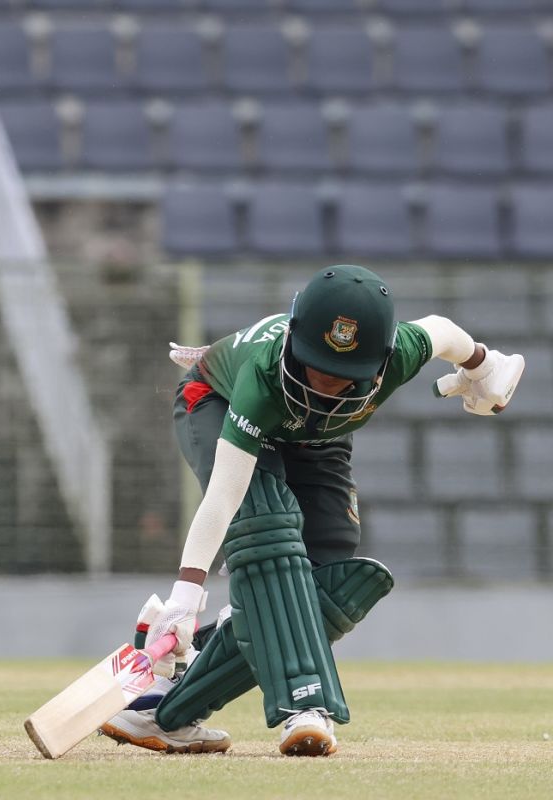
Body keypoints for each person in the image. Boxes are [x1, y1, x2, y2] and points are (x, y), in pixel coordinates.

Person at [99, 265, 524, 757]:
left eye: (343, 375)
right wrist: (185, 596)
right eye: (316, 364)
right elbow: (225, 495)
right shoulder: (262, 375)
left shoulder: (402, 351)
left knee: (326, 583)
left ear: (382, 360)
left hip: (317, 436)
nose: (324, 384)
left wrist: (481, 365)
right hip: (216, 401)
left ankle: (165, 707)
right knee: (265, 521)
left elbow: (445, 332)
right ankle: (305, 706)